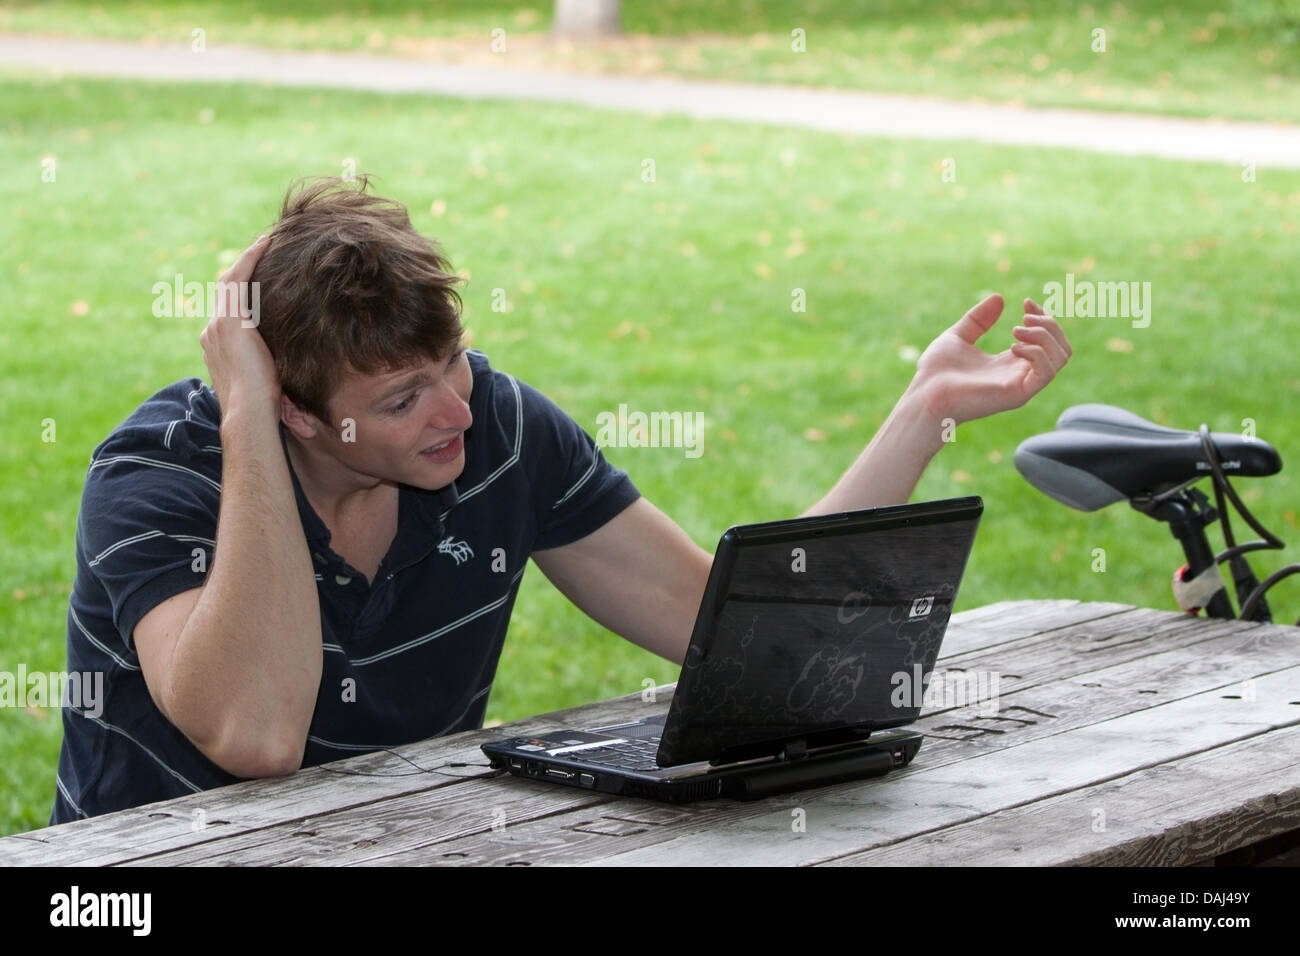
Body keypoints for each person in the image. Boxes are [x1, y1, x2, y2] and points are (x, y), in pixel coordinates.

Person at [51, 176, 1071, 823]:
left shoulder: (495, 426)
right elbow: (258, 735)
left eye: (452, 361)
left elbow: (731, 625)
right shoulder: (160, 479)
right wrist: (245, 419)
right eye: (402, 398)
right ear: (297, 411)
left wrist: (923, 411)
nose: (456, 408)